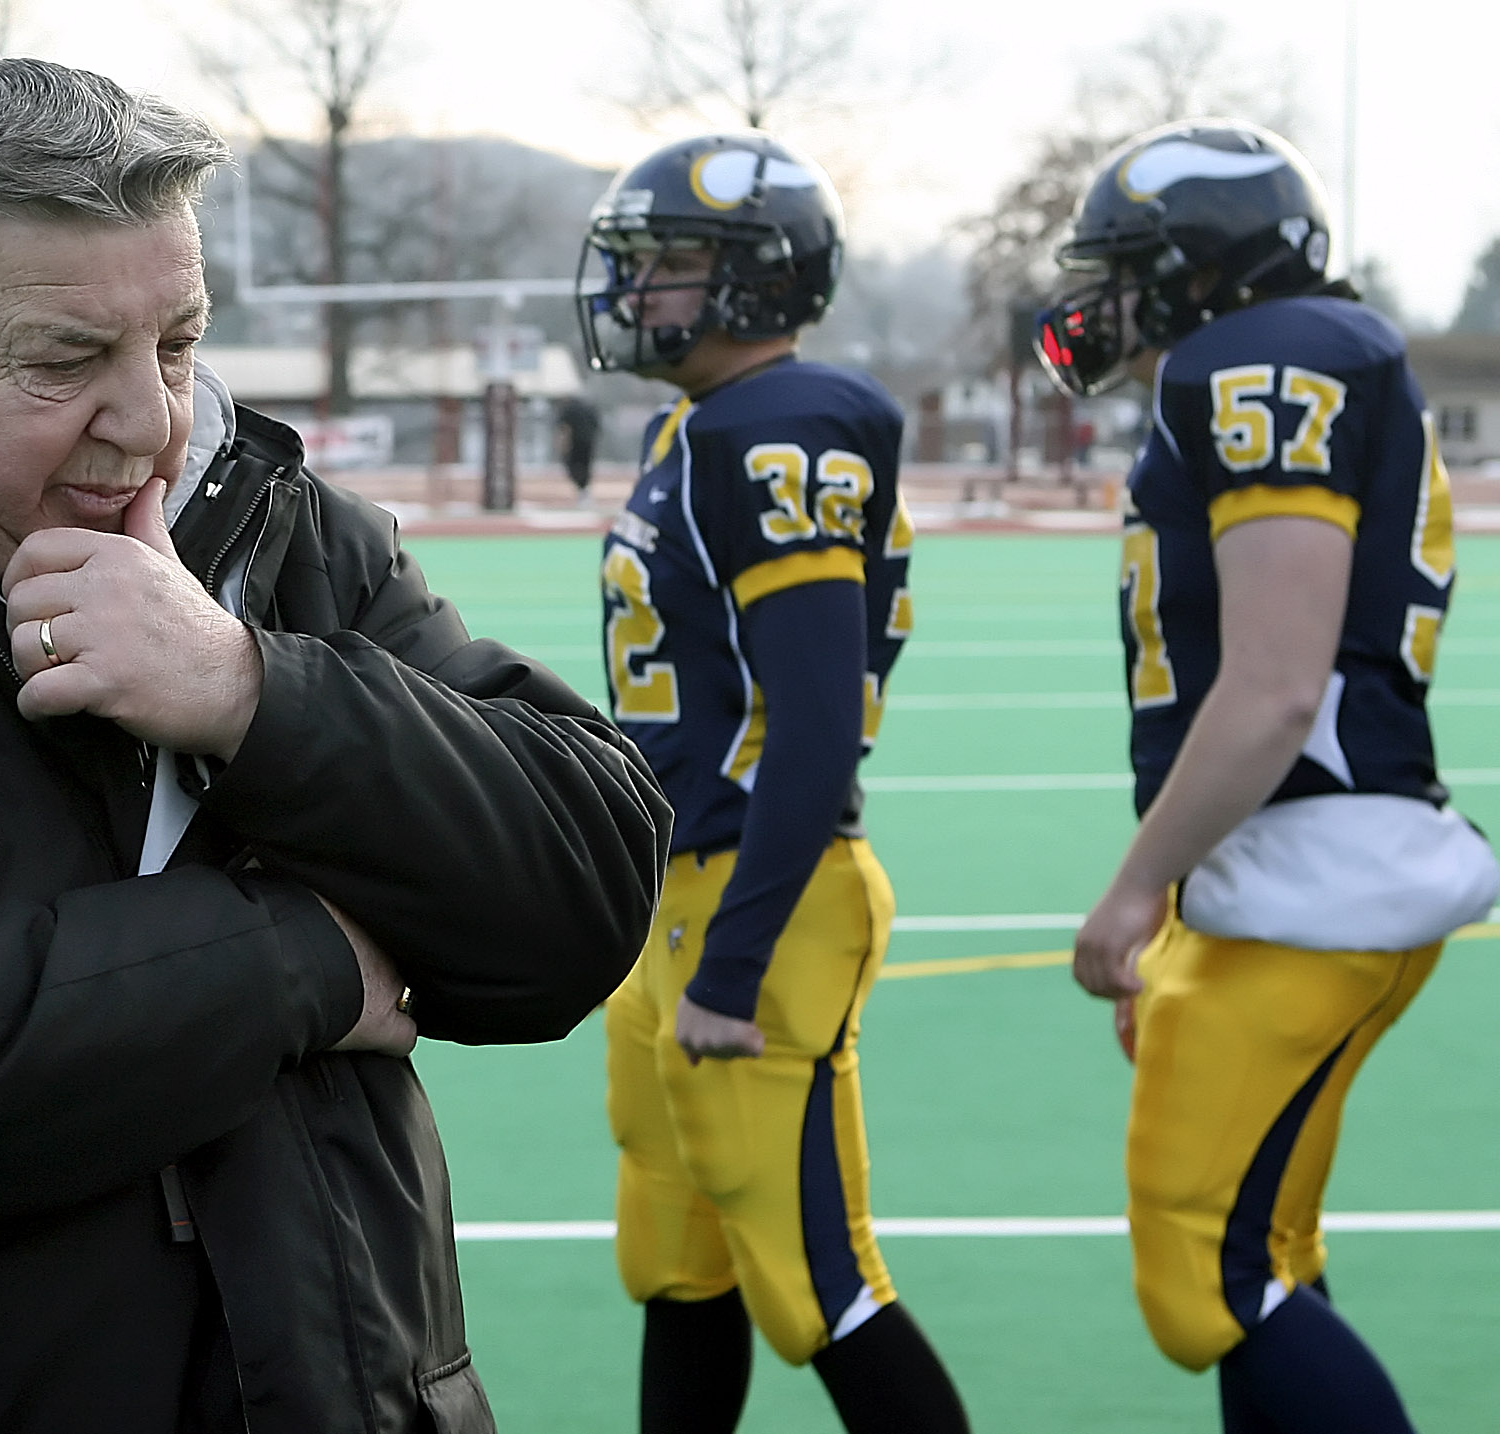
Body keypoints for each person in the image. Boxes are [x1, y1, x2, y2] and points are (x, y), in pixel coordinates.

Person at [0, 59, 670, 1434]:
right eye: (65, 359)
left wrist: (252, 690)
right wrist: (303, 959)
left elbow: (588, 880)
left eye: (179, 342)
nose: (149, 420)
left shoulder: (270, 527)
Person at [1038, 119, 1499, 1433]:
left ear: (1206, 268)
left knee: (1207, 1277)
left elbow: (1274, 685)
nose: (1100, 301)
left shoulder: (1266, 356)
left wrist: (1138, 888)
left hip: (1312, 868)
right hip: (1308, 860)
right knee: (1267, 1246)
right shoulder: (1281, 354)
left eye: (1127, 269)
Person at [576, 132, 971, 1434]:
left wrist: (735, 964)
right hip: (679, 896)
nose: (638, 288)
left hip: (761, 895)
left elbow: (812, 724)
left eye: (670, 262)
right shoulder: (699, 426)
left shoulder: (778, 427)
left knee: (817, 1286)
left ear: (757, 276)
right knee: (676, 1262)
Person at [556, 393, 601, 505]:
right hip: (588, 442)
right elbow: (597, 426)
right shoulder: (590, 408)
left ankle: (581, 488)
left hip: (575, 443)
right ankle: (584, 489)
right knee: (586, 466)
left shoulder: (568, 409)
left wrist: (563, 444)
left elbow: (564, 428)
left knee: (572, 466)